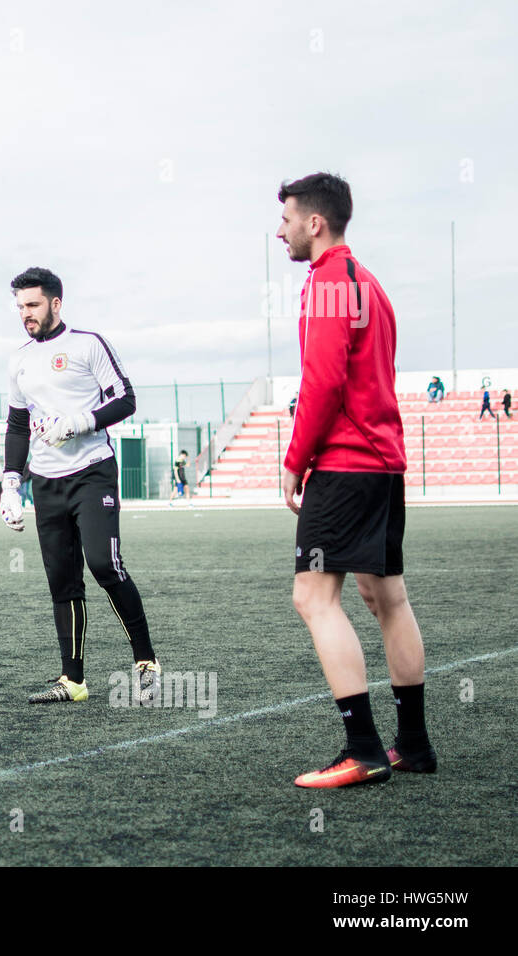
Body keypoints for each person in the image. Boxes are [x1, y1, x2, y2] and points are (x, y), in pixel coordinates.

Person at [276, 172, 434, 788]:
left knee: (313, 597)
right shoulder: (369, 283)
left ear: (315, 223)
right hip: (383, 463)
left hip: (345, 465)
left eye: (287, 218)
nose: (280, 229)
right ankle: (413, 746)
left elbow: (323, 382)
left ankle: (363, 750)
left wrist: (295, 460)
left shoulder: (328, 283)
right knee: (386, 598)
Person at [0, 267, 161, 705]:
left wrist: (80, 422)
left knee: (104, 566)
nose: (25, 314)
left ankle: (146, 662)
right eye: (19, 307)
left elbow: (125, 398)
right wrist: (11, 483)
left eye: (32, 305)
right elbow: (17, 424)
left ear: (55, 303)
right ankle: (72, 681)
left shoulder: (88, 345)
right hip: (47, 483)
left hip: (92, 471)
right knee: (62, 583)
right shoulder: (18, 359)